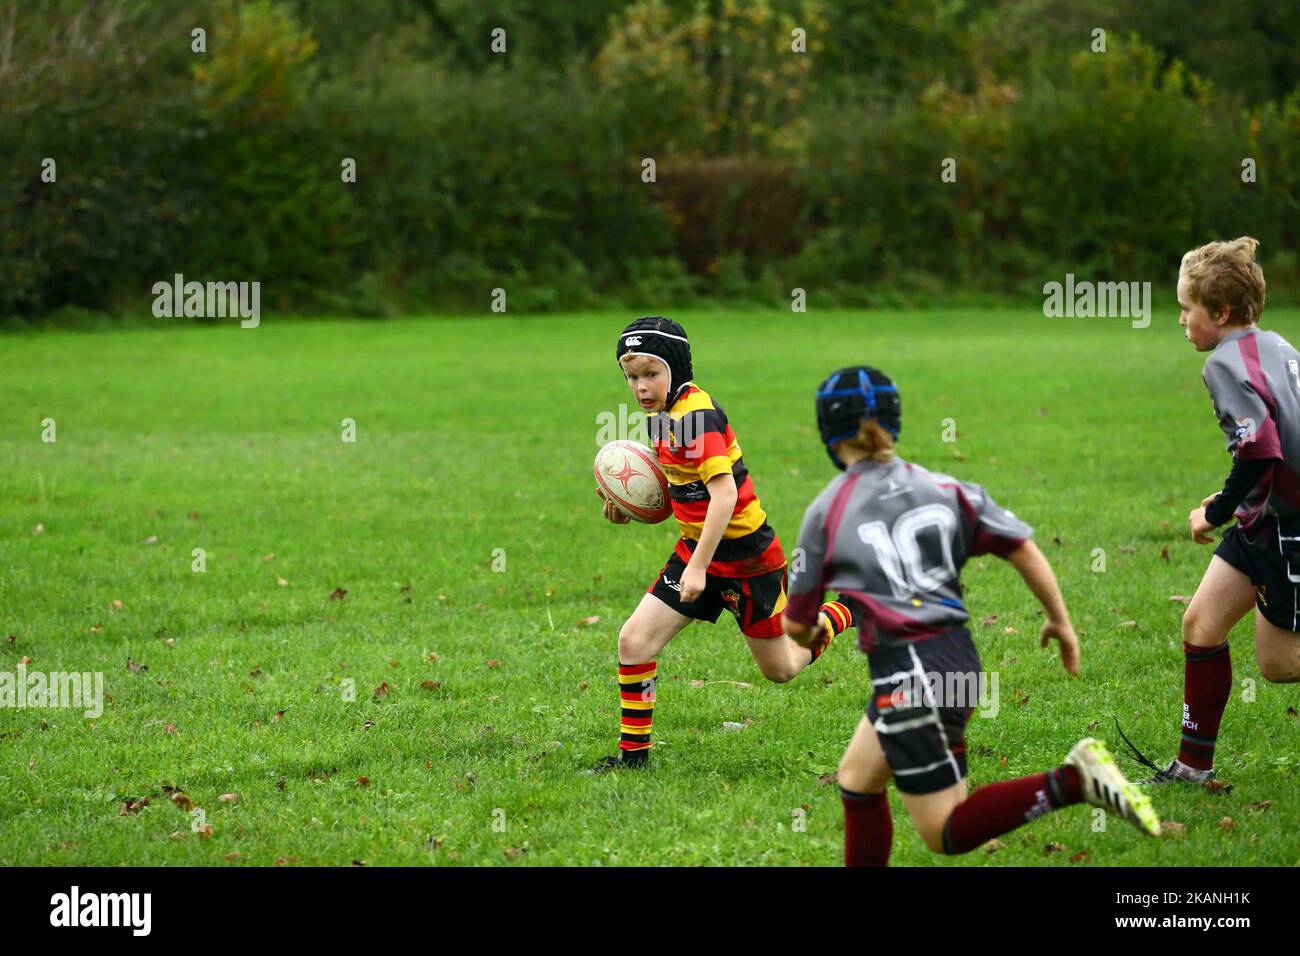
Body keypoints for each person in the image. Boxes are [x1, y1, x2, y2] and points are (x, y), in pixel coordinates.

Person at [783, 365, 1160, 864]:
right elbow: (1021, 547)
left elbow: (795, 624)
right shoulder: (945, 487)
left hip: (909, 675)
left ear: (827, 432)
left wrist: (810, 627)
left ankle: (1074, 780)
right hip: (957, 662)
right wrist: (1060, 621)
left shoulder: (826, 511)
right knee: (857, 779)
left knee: (946, 832)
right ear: (895, 422)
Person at [588, 316, 838, 772]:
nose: (641, 387)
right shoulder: (661, 418)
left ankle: (848, 609)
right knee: (635, 641)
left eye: (651, 373)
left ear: (676, 370)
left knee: (780, 669)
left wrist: (698, 568)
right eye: (632, 377)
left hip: (746, 557)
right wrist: (629, 506)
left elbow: (723, 495)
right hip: (696, 549)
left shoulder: (696, 418)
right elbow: (678, 486)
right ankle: (633, 758)